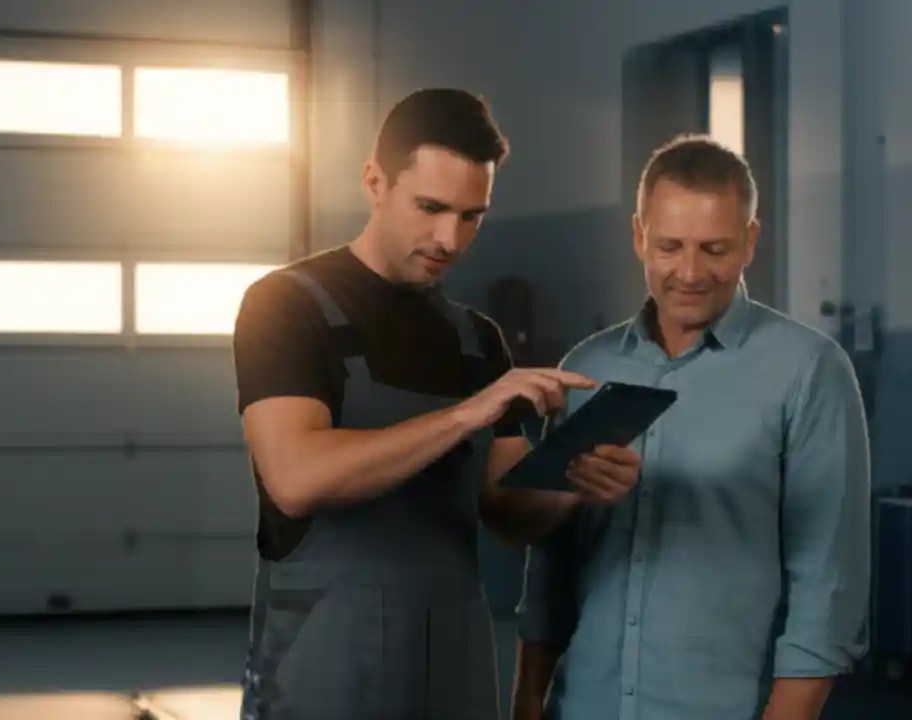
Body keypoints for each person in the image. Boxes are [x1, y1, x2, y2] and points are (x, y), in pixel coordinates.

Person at [231, 88, 601, 719]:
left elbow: (505, 513)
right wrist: (467, 414)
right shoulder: (285, 306)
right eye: (430, 207)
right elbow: (296, 477)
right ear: (375, 181)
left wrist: (575, 480)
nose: (448, 238)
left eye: (471, 216)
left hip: (453, 671)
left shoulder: (475, 339)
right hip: (323, 676)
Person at [512, 134, 871, 720]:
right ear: (639, 237)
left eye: (715, 249)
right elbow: (549, 572)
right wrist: (527, 706)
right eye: (670, 246)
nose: (690, 272)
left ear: (751, 242)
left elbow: (827, 595)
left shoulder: (808, 371)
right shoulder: (585, 369)